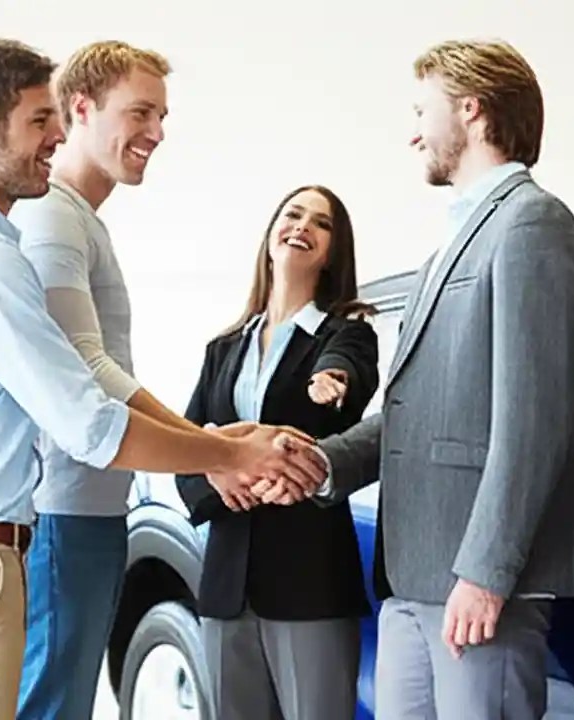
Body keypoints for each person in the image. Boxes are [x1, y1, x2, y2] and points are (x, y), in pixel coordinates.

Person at [0, 35, 323, 720]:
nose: (53, 135)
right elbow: (88, 403)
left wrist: (215, 447)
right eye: (39, 120)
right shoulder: (7, 244)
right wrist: (222, 454)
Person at [266, 39, 574, 718]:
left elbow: (534, 422)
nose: (414, 132)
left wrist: (486, 571)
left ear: (472, 109)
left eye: (423, 111)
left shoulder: (534, 223)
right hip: (412, 576)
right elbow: (419, 412)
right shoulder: (451, 245)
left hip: (476, 583)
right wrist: (324, 463)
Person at [8, 40, 191, 720]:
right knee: (52, 706)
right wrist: (213, 451)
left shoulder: (80, 219)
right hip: (62, 510)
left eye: (162, 116)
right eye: (140, 112)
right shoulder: (52, 215)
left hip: (88, 509)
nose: (157, 132)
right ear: (80, 108)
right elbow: (87, 364)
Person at [175, 185, 380, 720]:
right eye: (293, 214)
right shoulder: (222, 349)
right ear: (270, 236)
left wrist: (332, 379)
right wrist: (217, 473)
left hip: (308, 583)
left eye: (321, 223)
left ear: (333, 252)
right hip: (227, 587)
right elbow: (184, 452)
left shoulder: (345, 334)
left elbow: (347, 369)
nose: (303, 227)